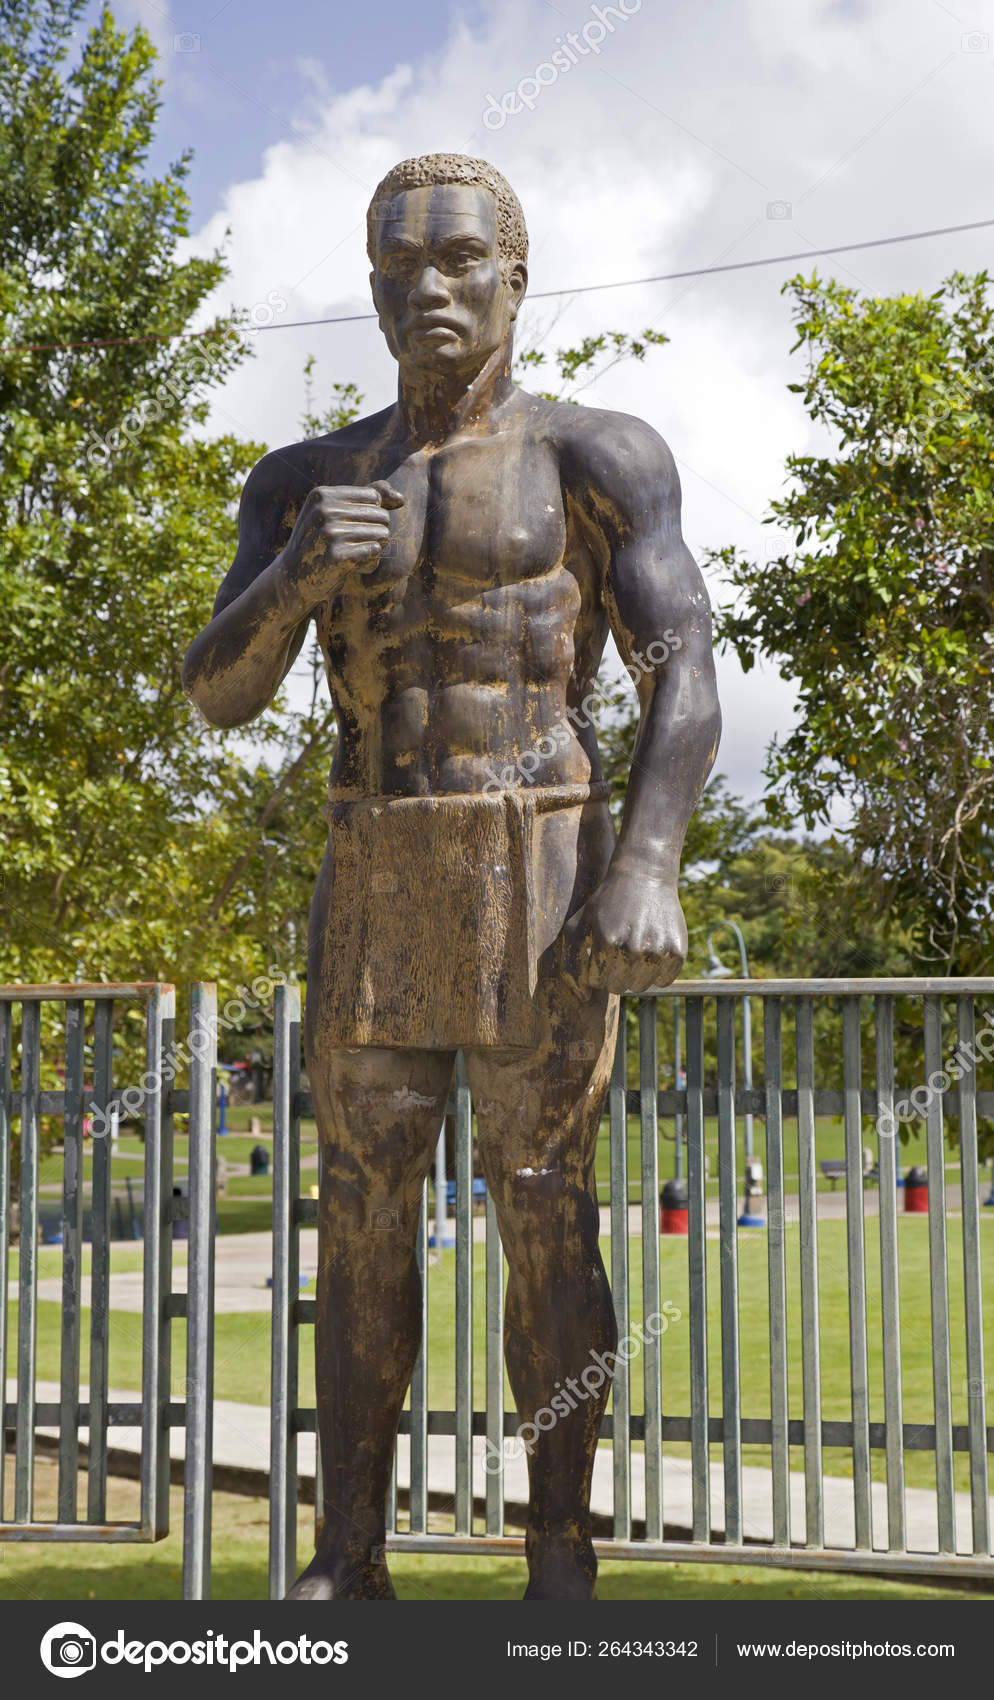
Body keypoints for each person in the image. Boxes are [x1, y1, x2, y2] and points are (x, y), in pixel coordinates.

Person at [182, 154, 720, 1600]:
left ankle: (559, 1555)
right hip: (374, 858)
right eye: (396, 264)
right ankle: (345, 1558)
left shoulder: (596, 455)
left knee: (540, 1201)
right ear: (369, 286)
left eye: (459, 259)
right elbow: (217, 695)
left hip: (539, 858)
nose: (426, 286)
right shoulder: (305, 482)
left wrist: (648, 866)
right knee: (358, 1214)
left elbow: (688, 677)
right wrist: (295, 573)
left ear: (512, 276)